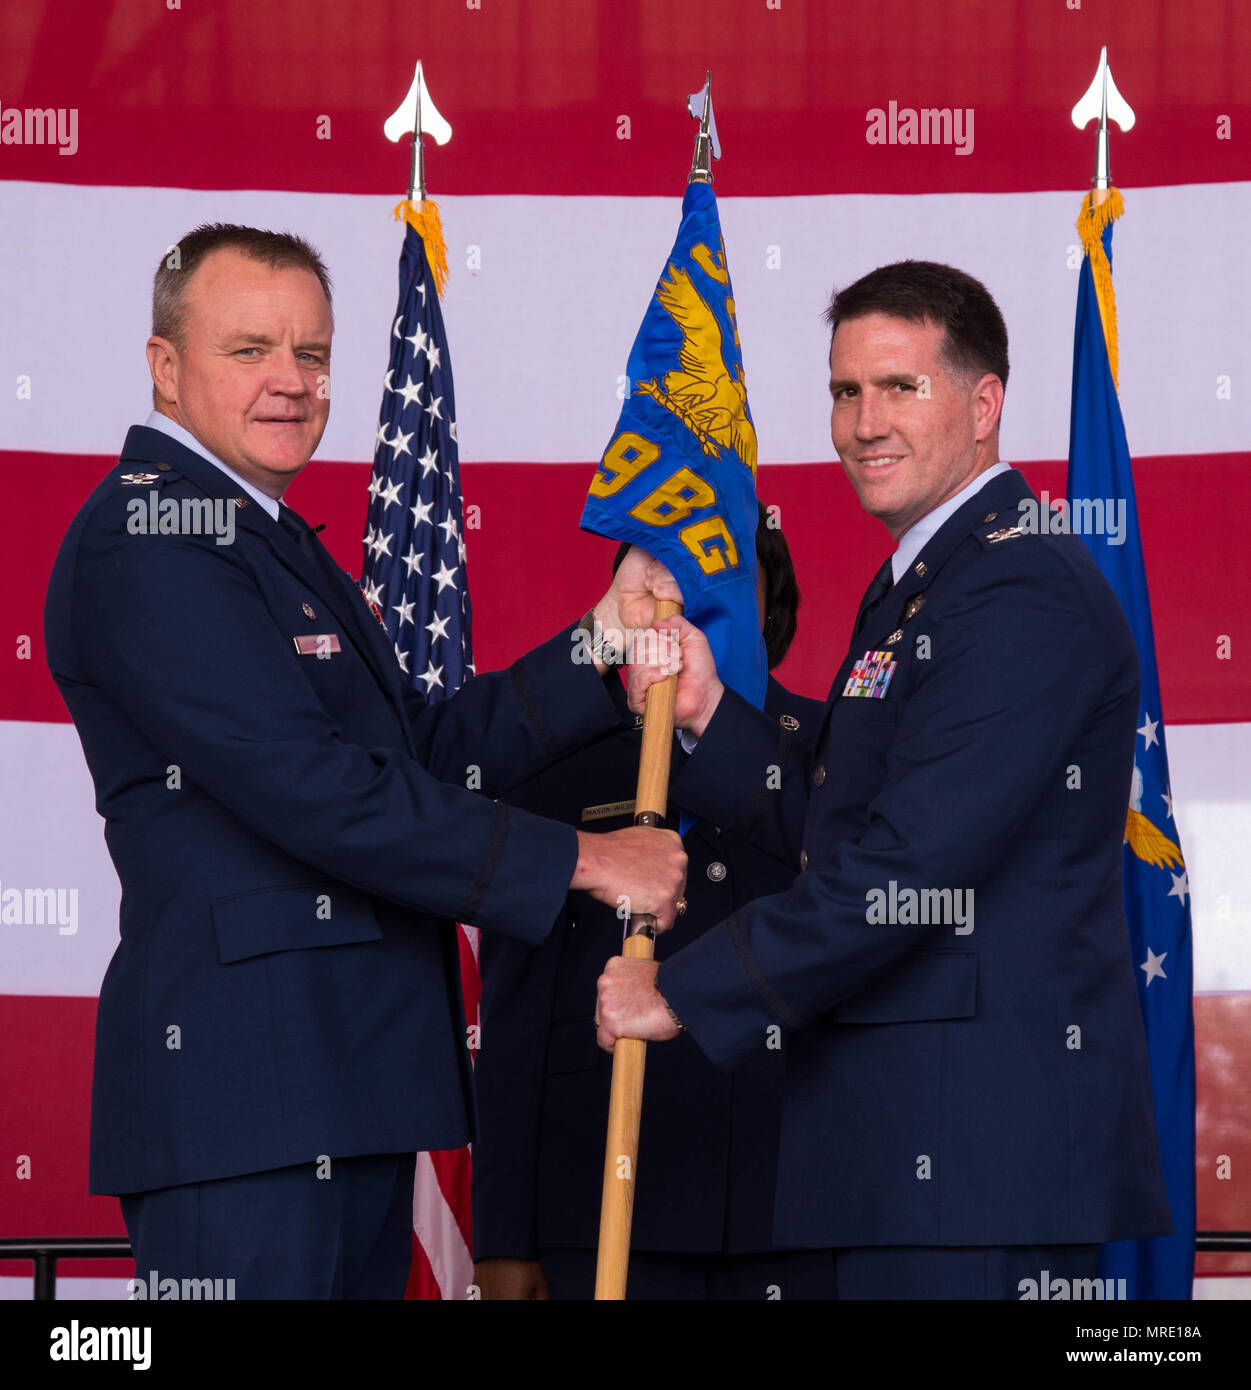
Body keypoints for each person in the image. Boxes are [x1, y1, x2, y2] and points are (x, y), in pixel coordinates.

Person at [42, 223, 686, 1300]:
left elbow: (413, 756)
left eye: (313, 354)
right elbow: (315, 790)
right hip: (250, 1105)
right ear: (165, 366)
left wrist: (599, 641)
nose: (290, 382)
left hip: (345, 1088)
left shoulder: (269, 538)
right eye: (250, 350)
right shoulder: (150, 535)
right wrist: (587, 859)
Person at [596, 260, 1173, 1299]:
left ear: (984, 403)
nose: (864, 421)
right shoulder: (931, 574)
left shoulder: (1019, 587)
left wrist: (680, 989)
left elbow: (907, 867)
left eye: (900, 387)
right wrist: (711, 715)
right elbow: (848, 810)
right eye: (844, 390)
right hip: (902, 1158)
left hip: (974, 1170)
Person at [472, 512, 831, 1300]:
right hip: (606, 1190)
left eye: (713, 599)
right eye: (664, 593)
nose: (681, 617)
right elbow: (515, 1010)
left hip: (800, 1199)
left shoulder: (828, 752)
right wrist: (503, 1233)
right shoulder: (558, 757)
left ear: (766, 612)